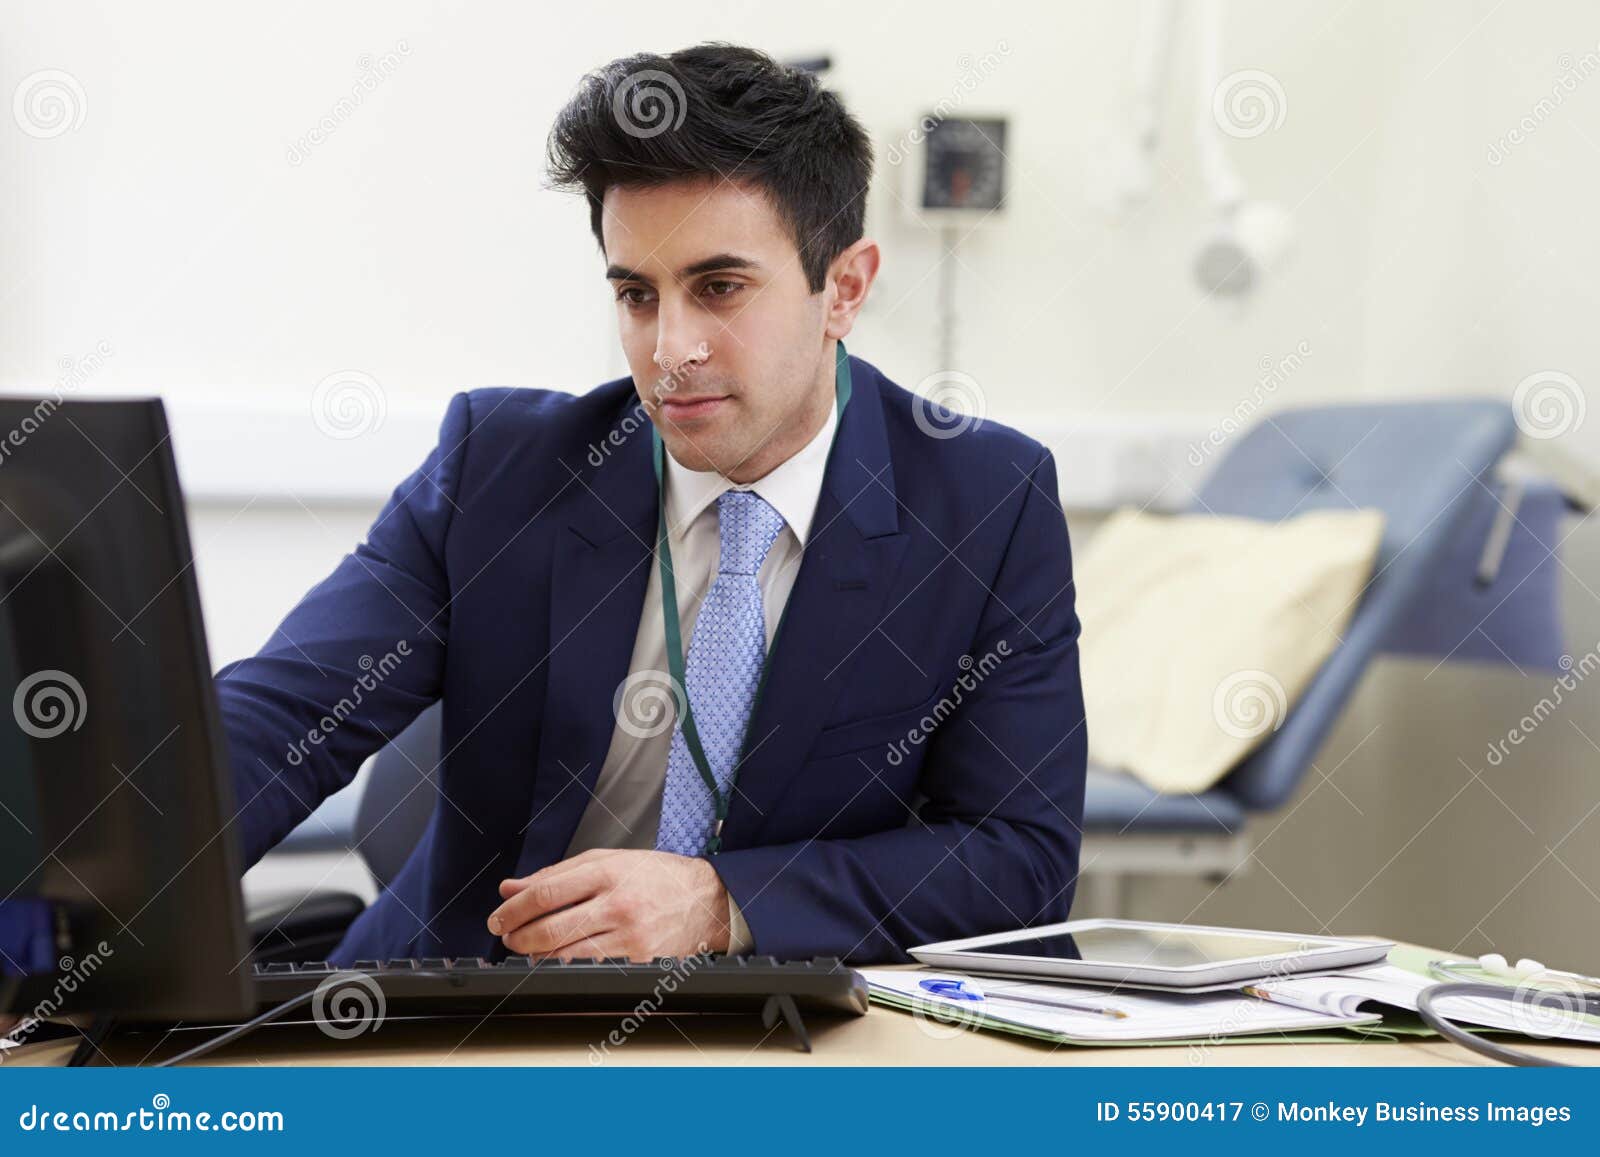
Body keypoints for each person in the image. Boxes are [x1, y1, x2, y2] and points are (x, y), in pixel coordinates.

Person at [222, 43, 1087, 966]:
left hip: (780, 1035)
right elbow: (280, 720)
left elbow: (1017, 856)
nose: (669, 348)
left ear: (843, 287)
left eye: (719, 288)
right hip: (462, 1009)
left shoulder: (985, 506)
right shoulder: (499, 469)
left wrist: (726, 905)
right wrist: (82, 891)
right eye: (637, 294)